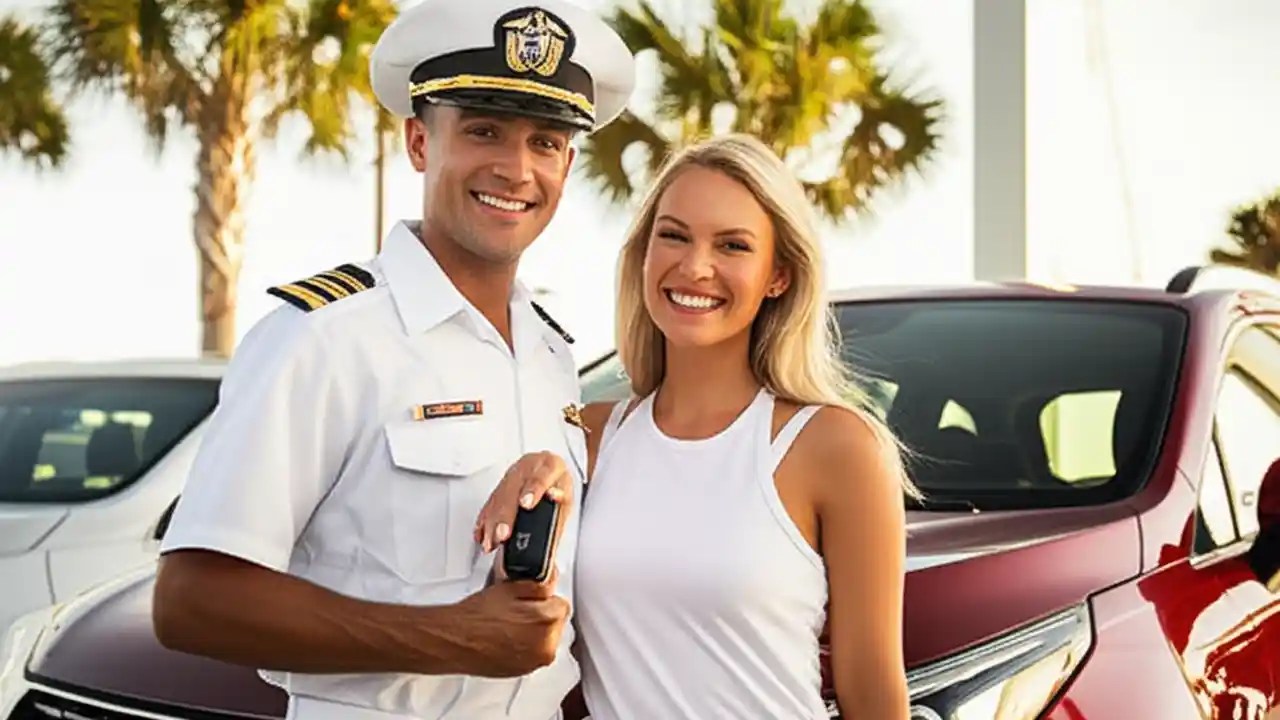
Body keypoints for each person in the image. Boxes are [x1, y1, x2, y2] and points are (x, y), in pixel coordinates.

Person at [150, 1, 634, 719]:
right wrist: (452, 639)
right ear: (417, 142)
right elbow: (192, 600)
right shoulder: (325, 336)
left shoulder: (551, 352)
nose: (516, 167)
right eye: (483, 130)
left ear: (567, 163)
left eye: (546, 141)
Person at [476, 134, 919, 719]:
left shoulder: (835, 448)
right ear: (643, 252)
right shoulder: (586, 438)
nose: (695, 267)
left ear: (778, 276)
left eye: (733, 245)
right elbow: (516, 633)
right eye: (674, 235)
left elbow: (874, 697)